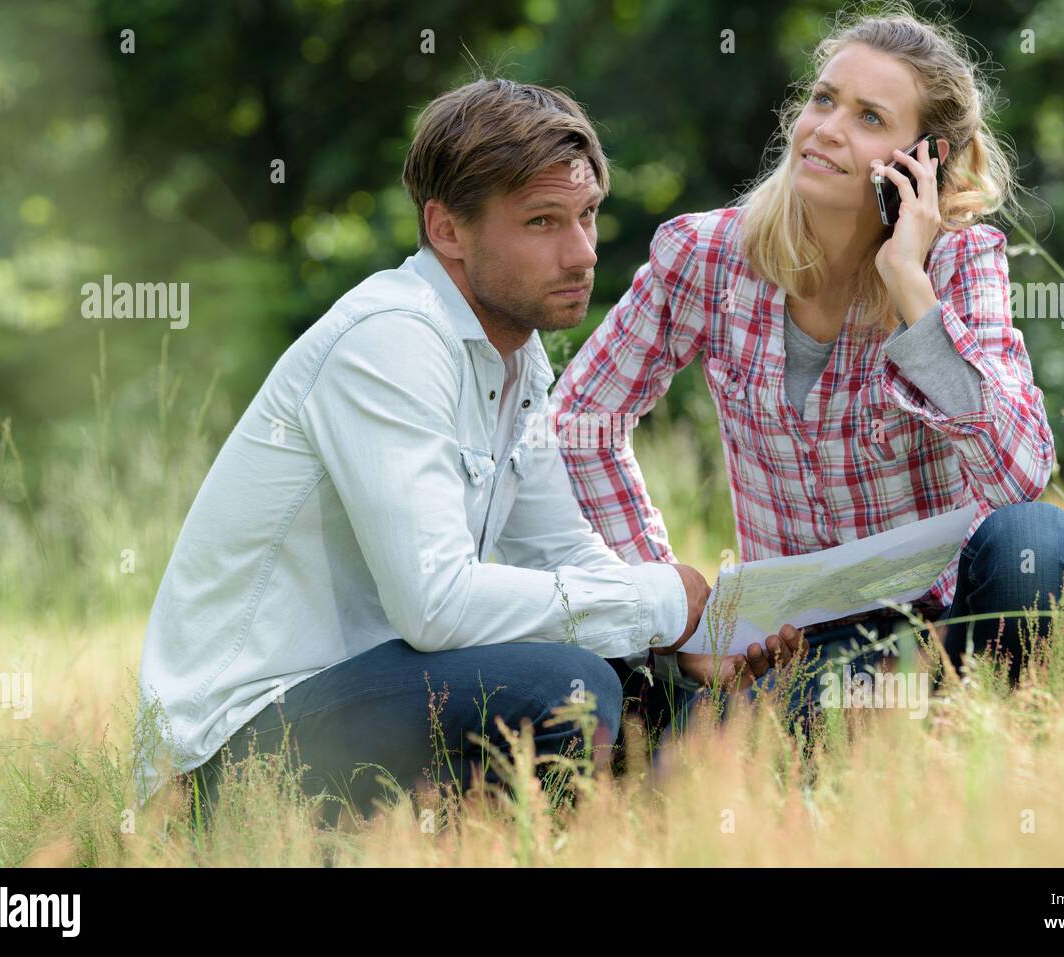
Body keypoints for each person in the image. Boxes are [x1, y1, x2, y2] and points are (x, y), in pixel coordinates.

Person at [133, 79, 804, 825]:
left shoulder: (516, 358)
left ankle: (568, 826)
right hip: (237, 750)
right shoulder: (391, 342)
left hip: (373, 699)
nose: (582, 253)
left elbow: (562, 549)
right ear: (447, 229)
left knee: (657, 684)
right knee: (570, 685)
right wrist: (658, 599)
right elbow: (437, 603)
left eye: (587, 216)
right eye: (543, 222)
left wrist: (681, 640)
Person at [550, 10, 1064, 723]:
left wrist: (913, 293)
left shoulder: (960, 262)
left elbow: (1020, 474)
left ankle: (989, 728)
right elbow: (579, 421)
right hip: (799, 645)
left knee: (1038, 539)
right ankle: (908, 723)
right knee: (763, 722)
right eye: (824, 99)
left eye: (870, 117)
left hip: (948, 616)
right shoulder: (705, 256)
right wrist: (672, 602)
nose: (828, 128)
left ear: (923, 162)